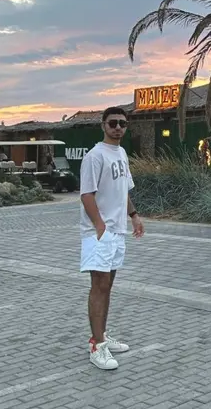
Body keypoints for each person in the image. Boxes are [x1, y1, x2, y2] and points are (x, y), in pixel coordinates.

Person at [79, 106, 144, 370]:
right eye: (113, 123)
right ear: (103, 125)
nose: (118, 127)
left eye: (122, 123)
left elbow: (123, 189)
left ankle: (102, 336)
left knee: (108, 286)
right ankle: (97, 346)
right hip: (100, 232)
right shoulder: (95, 156)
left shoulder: (122, 153)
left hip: (117, 231)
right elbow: (86, 194)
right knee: (99, 285)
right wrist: (99, 226)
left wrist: (134, 215)